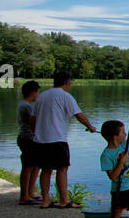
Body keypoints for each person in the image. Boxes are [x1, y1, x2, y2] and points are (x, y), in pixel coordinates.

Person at [33, 72, 98, 208]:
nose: (70, 86)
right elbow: (79, 115)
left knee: (45, 169)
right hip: (57, 139)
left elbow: (32, 118)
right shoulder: (65, 96)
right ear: (66, 83)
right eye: (70, 84)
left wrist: (37, 132)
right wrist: (90, 126)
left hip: (40, 140)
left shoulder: (41, 96)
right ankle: (64, 200)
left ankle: (46, 200)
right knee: (62, 169)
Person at [16, 80, 42, 205]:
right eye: (38, 92)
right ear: (33, 92)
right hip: (28, 139)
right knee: (28, 166)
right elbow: (34, 123)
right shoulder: (27, 106)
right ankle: (24, 196)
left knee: (36, 165)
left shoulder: (23, 104)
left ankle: (30, 193)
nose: (38, 95)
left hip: (28, 138)